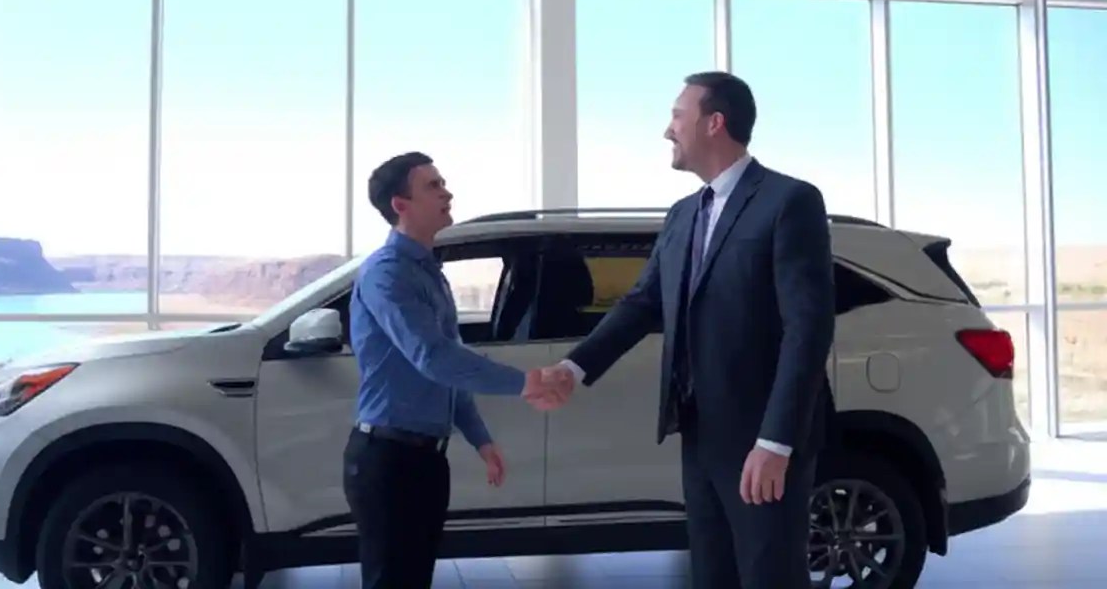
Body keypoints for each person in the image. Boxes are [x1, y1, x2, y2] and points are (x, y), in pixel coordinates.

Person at [533, 71, 837, 589]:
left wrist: (776, 441)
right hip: (697, 431)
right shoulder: (682, 215)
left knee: (770, 577)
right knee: (712, 575)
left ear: (714, 122)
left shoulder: (788, 202)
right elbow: (642, 303)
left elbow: (807, 330)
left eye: (677, 116)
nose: (667, 130)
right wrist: (574, 367)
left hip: (759, 437)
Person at [343, 151, 556, 589]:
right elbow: (433, 356)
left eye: (443, 183)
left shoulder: (430, 272)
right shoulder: (386, 274)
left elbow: (445, 370)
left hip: (425, 460)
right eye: (433, 186)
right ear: (400, 205)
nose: (447, 192)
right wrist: (524, 383)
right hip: (388, 461)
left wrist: (480, 439)